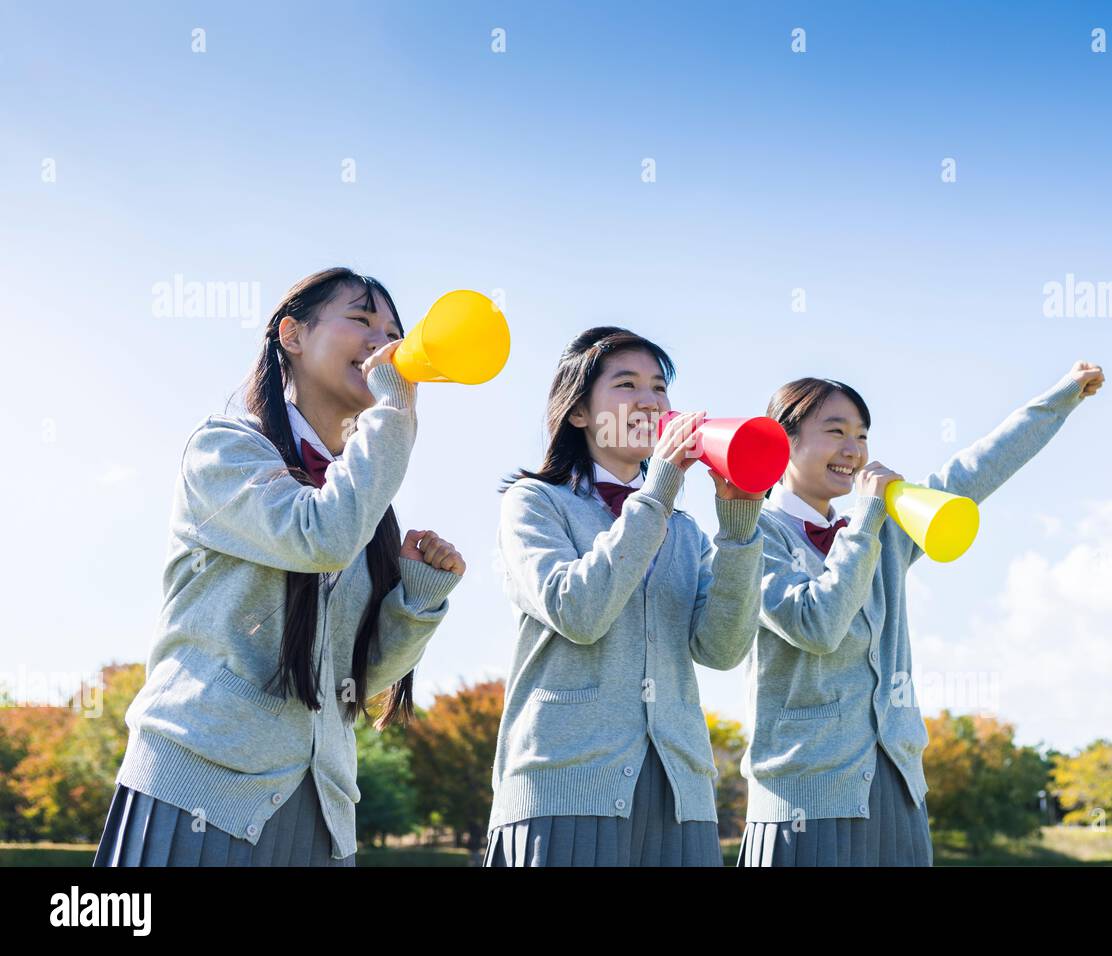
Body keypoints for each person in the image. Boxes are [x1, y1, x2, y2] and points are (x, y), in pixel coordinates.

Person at [93, 267, 465, 866]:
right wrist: (394, 413)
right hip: (200, 785)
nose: (384, 344)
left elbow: (358, 682)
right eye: (362, 320)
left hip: (319, 810)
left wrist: (418, 600)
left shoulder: (363, 493)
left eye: (394, 331)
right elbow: (318, 536)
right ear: (291, 335)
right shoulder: (224, 448)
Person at [737, 361, 1105, 866]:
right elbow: (818, 625)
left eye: (862, 436)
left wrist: (1060, 400)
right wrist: (866, 521)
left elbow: (974, 471)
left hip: (897, 792)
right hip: (803, 798)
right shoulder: (751, 537)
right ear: (785, 442)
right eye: (836, 432)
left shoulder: (880, 531)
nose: (854, 451)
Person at [482, 326, 766, 866]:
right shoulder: (536, 504)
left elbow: (724, 649)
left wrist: (738, 525)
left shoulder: (683, 531)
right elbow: (579, 612)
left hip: (681, 796)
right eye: (627, 384)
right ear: (579, 413)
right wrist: (658, 490)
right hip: (563, 785)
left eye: (660, 388)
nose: (650, 401)